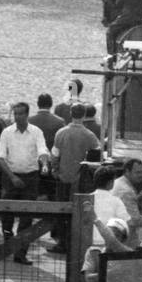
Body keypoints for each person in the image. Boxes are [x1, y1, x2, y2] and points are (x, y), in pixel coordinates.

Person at [0, 101, 48, 265]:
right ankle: (8, 244)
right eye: (15, 113)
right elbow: (0, 157)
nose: (17, 117)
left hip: (30, 177)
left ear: (27, 115)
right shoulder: (6, 132)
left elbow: (42, 150)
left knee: (27, 217)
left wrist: (45, 164)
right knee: (7, 214)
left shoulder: (36, 132)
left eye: (20, 114)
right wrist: (12, 177)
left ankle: (20, 253)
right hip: (10, 177)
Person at [49, 107, 100, 255]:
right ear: (84, 115)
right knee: (79, 213)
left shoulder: (61, 132)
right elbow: (96, 157)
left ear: (71, 114)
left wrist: (55, 170)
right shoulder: (90, 136)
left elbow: (55, 155)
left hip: (63, 178)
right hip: (80, 181)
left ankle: (62, 243)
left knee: (62, 212)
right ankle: (76, 245)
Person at [110, 159, 142, 247]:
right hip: (123, 240)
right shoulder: (127, 191)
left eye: (141, 172)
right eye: (137, 172)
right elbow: (135, 220)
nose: (141, 175)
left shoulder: (117, 182)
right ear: (127, 171)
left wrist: (136, 199)